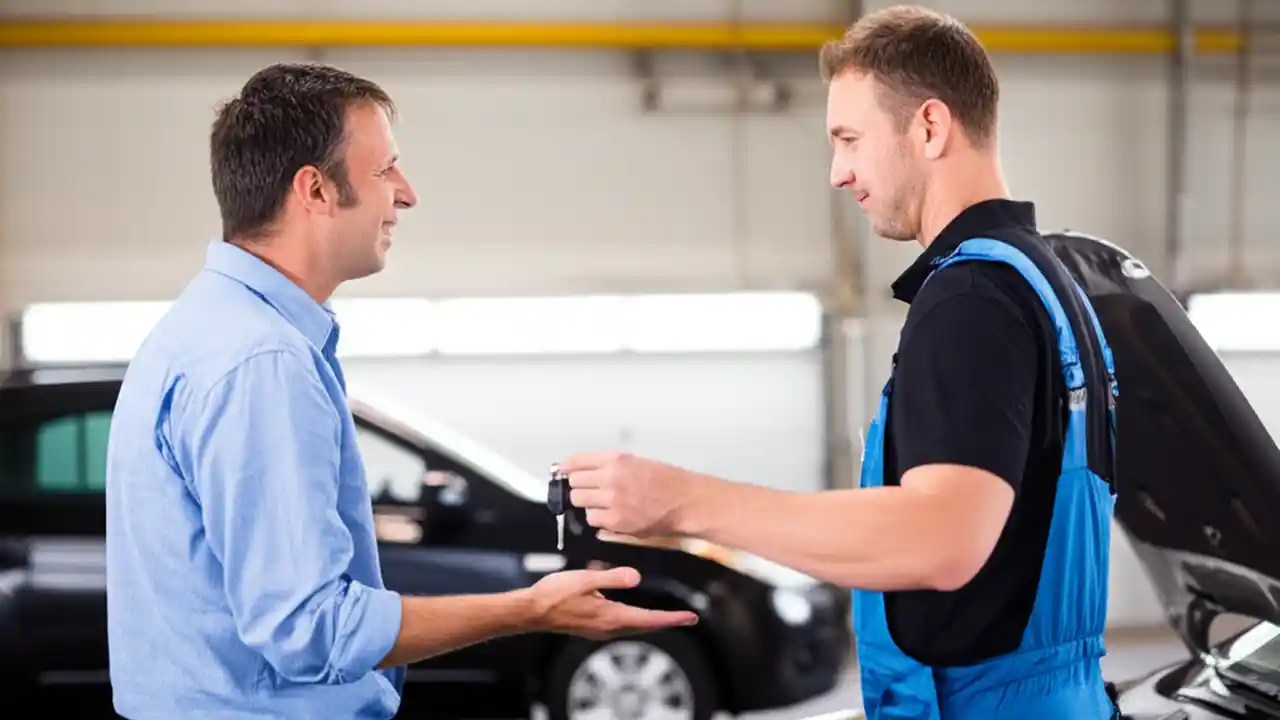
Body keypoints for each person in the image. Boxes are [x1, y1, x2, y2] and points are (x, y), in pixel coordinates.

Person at [556, 6, 1120, 719]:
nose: (837, 172)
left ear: (930, 126)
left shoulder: (972, 299)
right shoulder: (1051, 282)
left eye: (849, 140)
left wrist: (684, 501)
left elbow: (939, 539)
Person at [103, 63, 697, 720]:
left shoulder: (203, 329)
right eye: (385, 169)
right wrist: (530, 608)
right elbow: (310, 631)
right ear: (316, 190)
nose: (406, 193)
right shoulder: (260, 360)